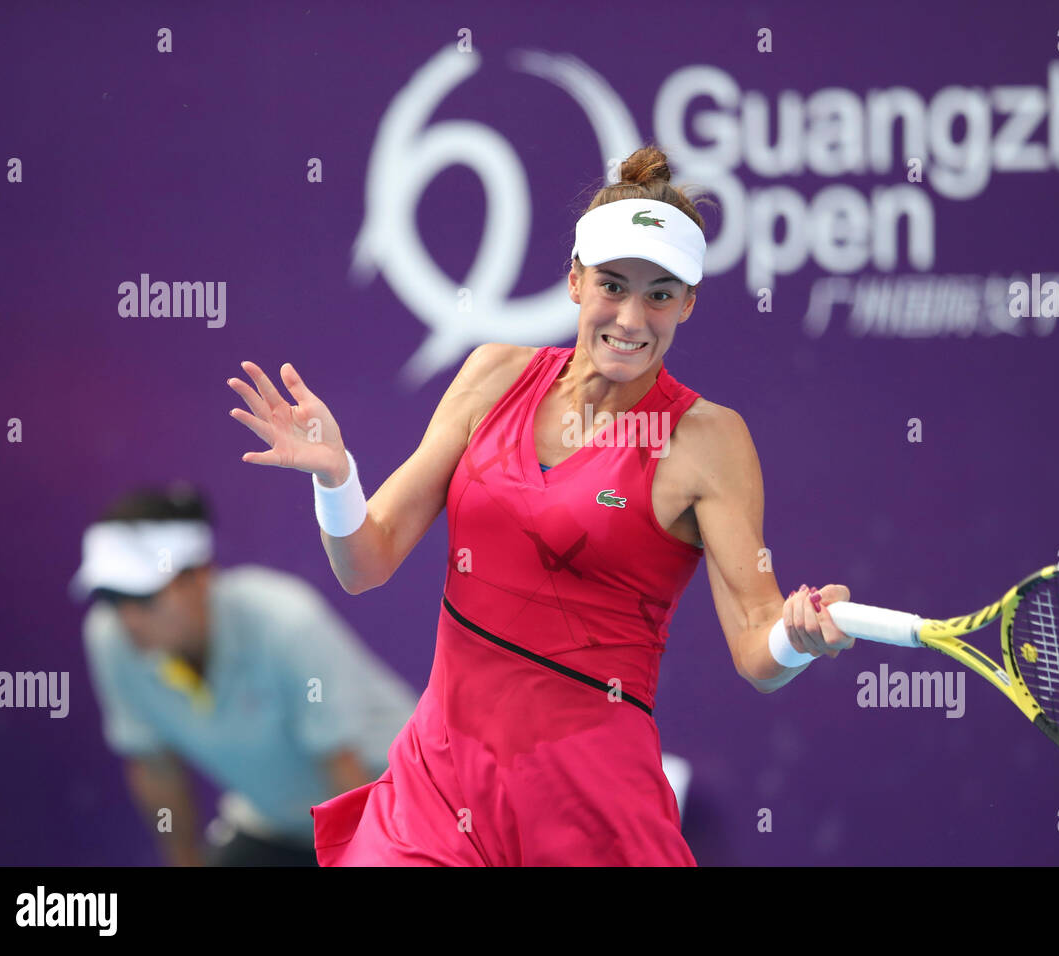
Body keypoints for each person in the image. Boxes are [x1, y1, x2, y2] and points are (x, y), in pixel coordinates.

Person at [227, 145, 856, 866]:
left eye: (659, 293)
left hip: (590, 808)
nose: (631, 316)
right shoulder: (492, 373)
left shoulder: (707, 439)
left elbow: (756, 644)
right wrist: (337, 479)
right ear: (575, 281)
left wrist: (795, 639)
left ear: (688, 302)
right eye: (612, 285)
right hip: (437, 786)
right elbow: (365, 561)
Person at [71, 483, 420, 866]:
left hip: (399, 815)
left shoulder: (285, 621)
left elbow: (345, 768)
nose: (128, 618)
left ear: (201, 576)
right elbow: (156, 769)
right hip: (279, 825)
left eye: (142, 597)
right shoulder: (110, 639)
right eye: (111, 598)